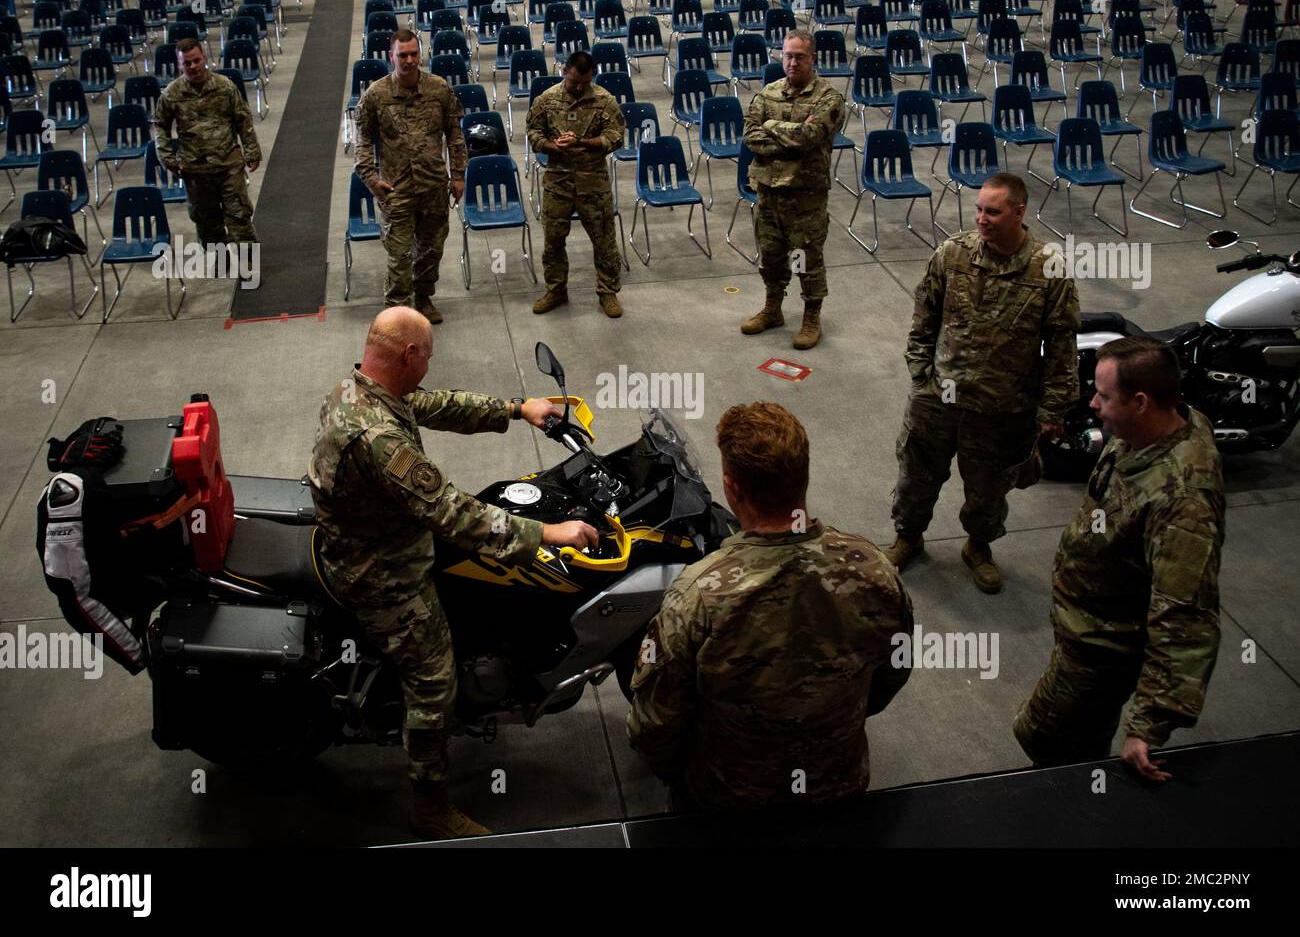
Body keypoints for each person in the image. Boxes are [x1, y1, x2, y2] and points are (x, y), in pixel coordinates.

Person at [308, 307, 598, 839]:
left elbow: (434, 404)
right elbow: (452, 512)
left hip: (374, 533)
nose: (430, 366)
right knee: (433, 682)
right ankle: (431, 810)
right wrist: (549, 535)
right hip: (379, 570)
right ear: (409, 354)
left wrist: (518, 409)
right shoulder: (379, 439)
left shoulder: (360, 390)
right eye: (428, 356)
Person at [627, 402, 913, 811]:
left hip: (726, 804)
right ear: (803, 479)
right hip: (838, 790)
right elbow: (890, 676)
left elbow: (655, 726)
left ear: (732, 488)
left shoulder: (698, 596)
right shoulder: (875, 570)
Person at [1014, 337, 1225, 782]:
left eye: (1104, 396)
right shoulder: (1151, 431)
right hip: (1087, 621)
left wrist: (1149, 722)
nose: (1093, 404)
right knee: (1065, 734)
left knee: (1045, 736)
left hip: (1103, 646)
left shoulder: (1183, 501)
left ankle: (1067, 797)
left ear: (1142, 402)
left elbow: (1185, 614)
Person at [885, 173, 1080, 593]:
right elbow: (924, 320)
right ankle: (908, 537)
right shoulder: (952, 254)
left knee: (988, 491)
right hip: (938, 397)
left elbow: (1062, 347)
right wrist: (921, 377)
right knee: (916, 474)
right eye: (978, 210)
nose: (982, 219)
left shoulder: (1049, 267)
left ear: (1019, 212)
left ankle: (978, 547)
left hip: (1003, 408)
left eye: (992, 211)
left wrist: (1052, 411)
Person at [739, 30, 846, 350]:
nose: (792, 62)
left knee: (806, 259)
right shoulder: (767, 94)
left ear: (813, 58)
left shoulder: (829, 98)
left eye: (799, 56)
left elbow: (810, 137)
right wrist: (788, 134)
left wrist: (772, 127)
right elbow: (750, 136)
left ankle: (811, 317)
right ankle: (773, 309)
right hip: (769, 193)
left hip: (805, 197)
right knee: (771, 256)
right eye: (787, 55)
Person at [354, 29, 467, 323]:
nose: (409, 60)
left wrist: (458, 174)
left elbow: (455, 133)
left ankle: (424, 298)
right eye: (402, 55)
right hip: (396, 188)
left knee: (431, 250)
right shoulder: (376, 95)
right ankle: (398, 313)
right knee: (400, 255)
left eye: (414, 54)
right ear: (391, 56)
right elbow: (362, 138)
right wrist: (370, 178)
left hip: (433, 185)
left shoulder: (439, 89)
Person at [526, 51, 627, 318]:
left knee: (604, 240)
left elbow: (616, 137)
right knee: (554, 240)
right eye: (574, 83)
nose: (580, 88)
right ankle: (556, 290)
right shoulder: (546, 101)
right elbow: (534, 133)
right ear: (564, 72)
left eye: (585, 82)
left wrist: (582, 142)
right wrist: (551, 145)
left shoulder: (604, 101)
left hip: (593, 182)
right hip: (558, 181)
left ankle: (608, 292)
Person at [153, 38, 261, 247]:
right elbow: (160, 126)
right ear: (179, 64)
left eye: (196, 60)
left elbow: (243, 120)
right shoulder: (171, 94)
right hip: (195, 170)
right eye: (187, 63)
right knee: (207, 223)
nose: (193, 66)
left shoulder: (224, 86)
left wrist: (252, 152)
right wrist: (168, 160)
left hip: (228, 164)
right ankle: (222, 261)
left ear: (204, 58)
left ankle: (250, 268)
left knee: (239, 217)